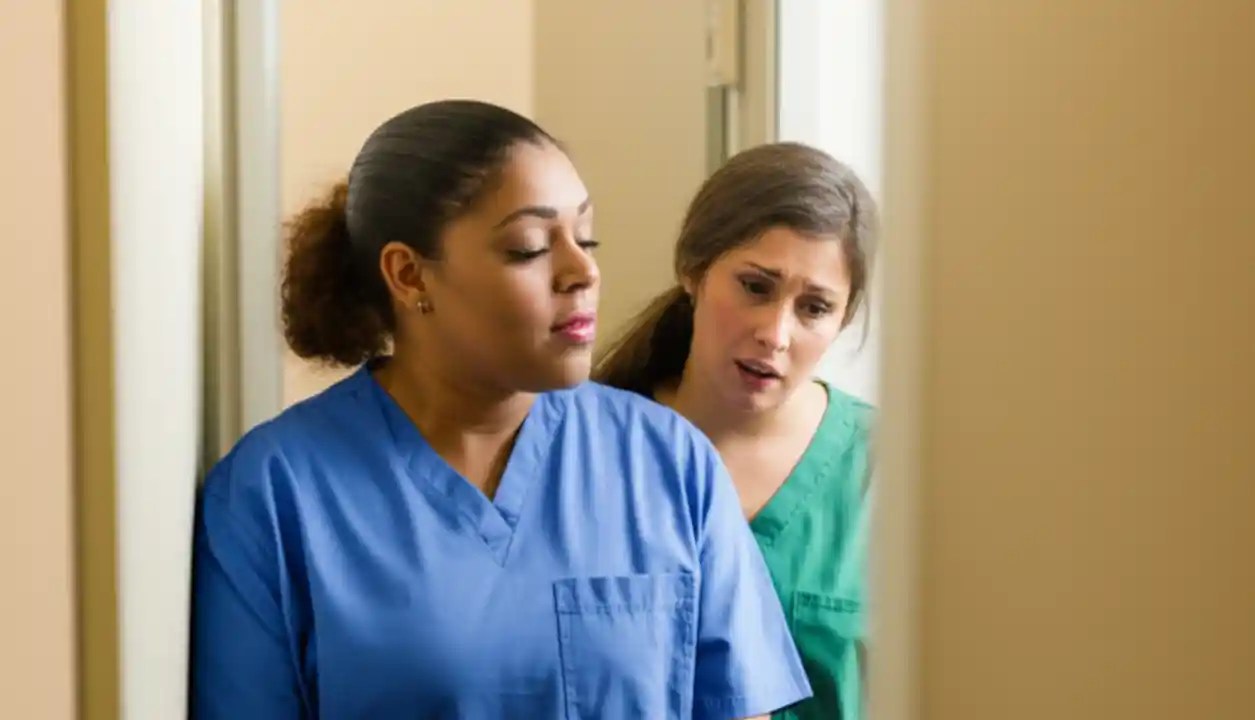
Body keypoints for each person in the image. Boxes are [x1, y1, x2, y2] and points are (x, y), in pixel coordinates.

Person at [190, 100, 811, 719]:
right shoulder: (273, 494)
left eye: (585, 237)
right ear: (409, 276)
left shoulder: (670, 464)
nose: (583, 270)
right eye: (529, 248)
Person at [594, 142, 878, 720]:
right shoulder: (589, 451)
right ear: (693, 271)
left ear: (842, 318)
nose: (775, 334)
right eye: (755, 287)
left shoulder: (886, 469)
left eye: (815, 308)